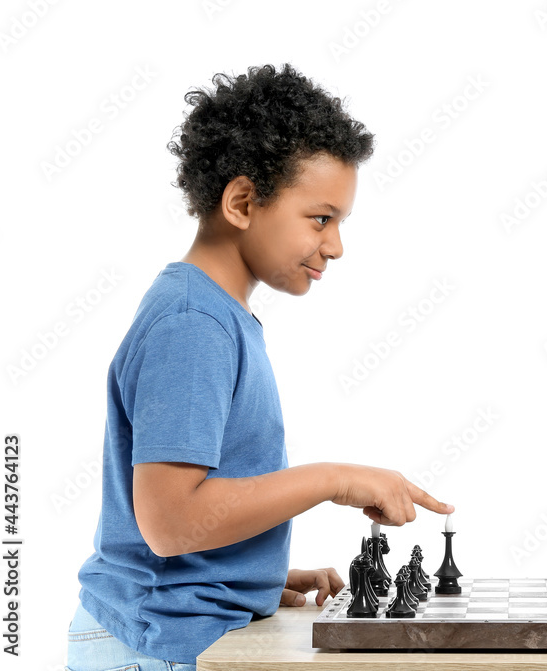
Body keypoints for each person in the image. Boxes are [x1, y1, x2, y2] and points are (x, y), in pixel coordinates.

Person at [67, 63, 453, 670]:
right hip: (151, 646)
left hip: (169, 630)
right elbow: (170, 522)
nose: (336, 245)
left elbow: (190, 518)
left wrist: (249, 576)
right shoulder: (193, 325)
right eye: (321, 218)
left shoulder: (215, 316)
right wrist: (335, 480)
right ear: (243, 202)